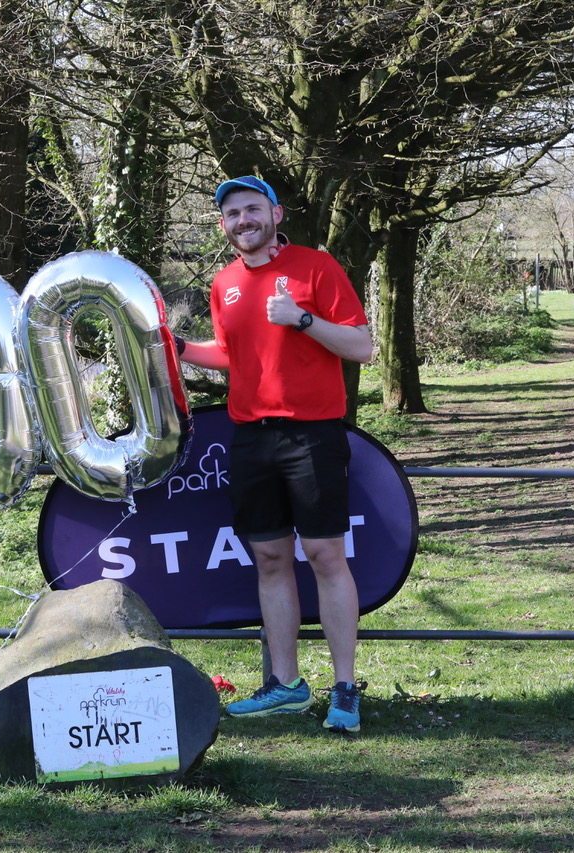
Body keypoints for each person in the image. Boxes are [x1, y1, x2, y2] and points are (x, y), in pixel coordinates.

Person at [178, 176, 374, 733]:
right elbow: (231, 353)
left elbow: (362, 346)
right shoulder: (224, 283)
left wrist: (303, 319)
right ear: (224, 224)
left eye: (253, 209)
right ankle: (285, 685)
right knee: (269, 558)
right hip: (251, 436)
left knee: (325, 556)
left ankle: (344, 689)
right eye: (233, 213)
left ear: (276, 214)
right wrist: (180, 348)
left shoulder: (317, 267)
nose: (243, 220)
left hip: (312, 433)